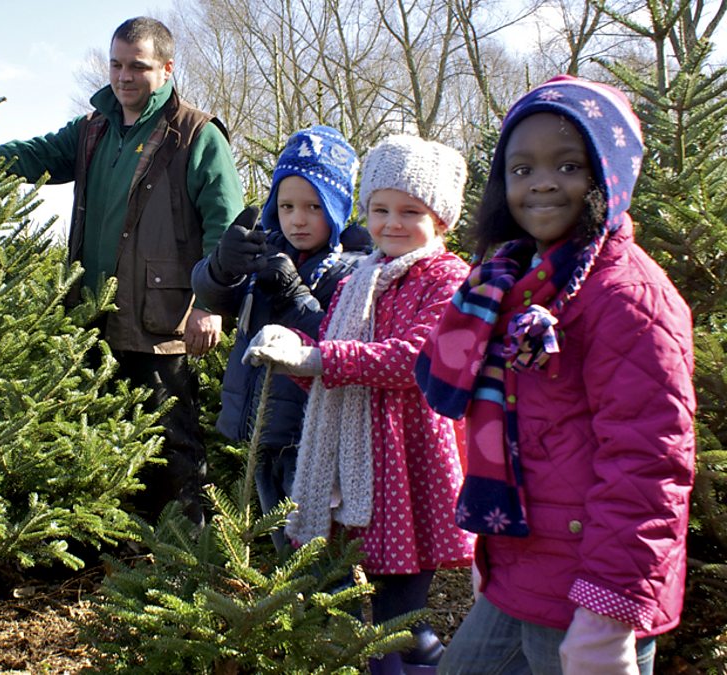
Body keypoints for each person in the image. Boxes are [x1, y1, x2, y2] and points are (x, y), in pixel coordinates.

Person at [416, 76, 696, 675]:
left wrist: (608, 614)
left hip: (587, 591)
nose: (541, 182)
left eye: (568, 164)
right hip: (521, 569)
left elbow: (649, 467)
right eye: (521, 169)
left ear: (608, 176)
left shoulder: (628, 298)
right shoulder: (509, 281)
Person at [0, 17, 245, 524]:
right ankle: (117, 550)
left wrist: (212, 306)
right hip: (92, 315)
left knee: (171, 441)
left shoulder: (194, 134)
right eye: (116, 64)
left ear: (167, 69)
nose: (124, 76)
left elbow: (228, 225)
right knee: (99, 439)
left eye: (138, 66)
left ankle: (187, 554)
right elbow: (39, 154)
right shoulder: (94, 129)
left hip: (162, 319)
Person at [244, 134, 476, 674]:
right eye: (380, 210)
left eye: (410, 211)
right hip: (351, 465)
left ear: (440, 219)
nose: (392, 223)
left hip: (407, 463)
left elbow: (415, 359)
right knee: (348, 610)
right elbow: (326, 369)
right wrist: (293, 358)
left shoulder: (447, 277)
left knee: (398, 616)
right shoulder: (359, 277)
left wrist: (318, 359)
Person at [191, 125, 371, 550]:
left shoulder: (352, 268)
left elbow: (337, 340)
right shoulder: (265, 250)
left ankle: (327, 609)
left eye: (313, 206)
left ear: (337, 207)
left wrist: (296, 294)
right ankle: (292, 602)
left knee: (313, 539)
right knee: (279, 531)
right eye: (287, 206)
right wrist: (221, 267)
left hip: (312, 433)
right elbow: (213, 296)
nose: (298, 219)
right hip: (264, 426)